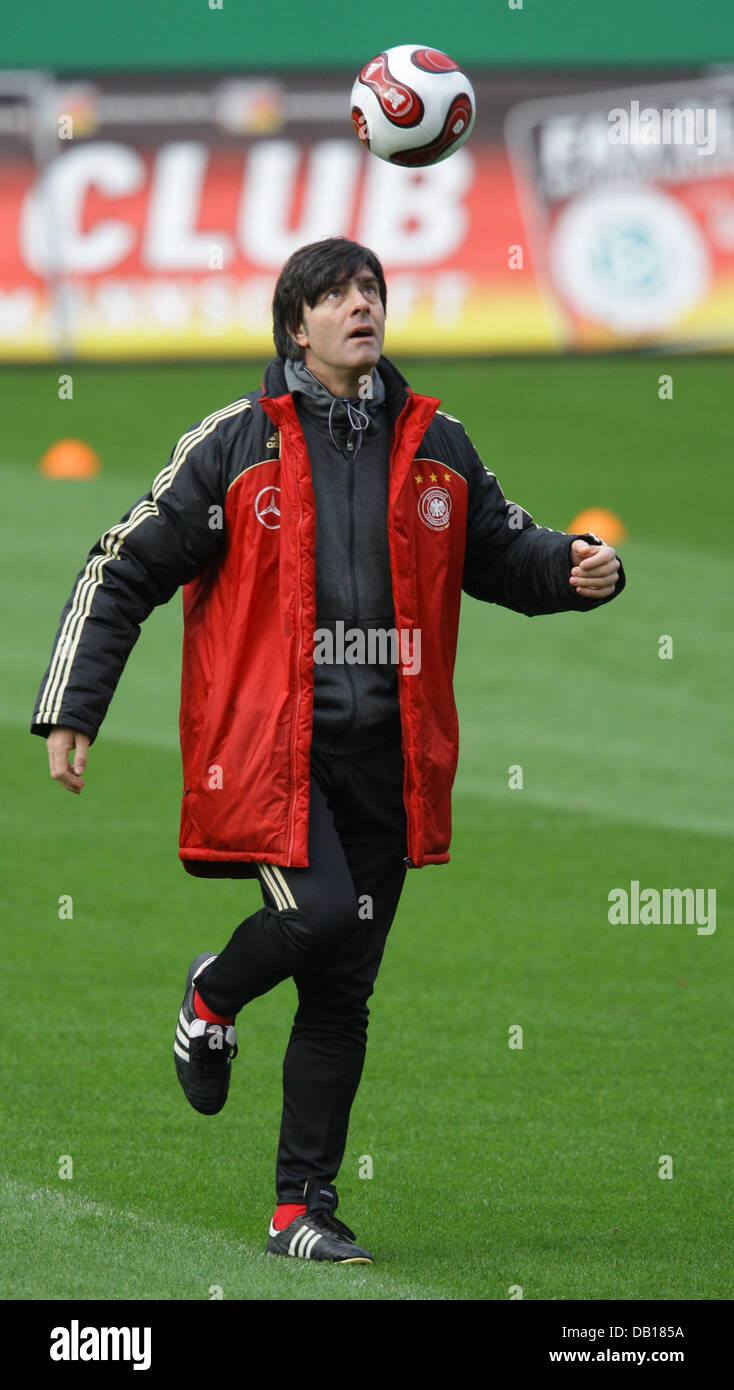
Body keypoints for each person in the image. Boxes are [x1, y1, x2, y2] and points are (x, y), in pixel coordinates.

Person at [32, 235, 625, 1265]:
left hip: (391, 762)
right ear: (295, 323)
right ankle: (214, 990)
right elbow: (122, 567)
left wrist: (569, 565)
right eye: (337, 293)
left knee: (342, 987)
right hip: (272, 751)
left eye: (371, 289)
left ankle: (296, 1210)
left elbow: (501, 548)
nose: (362, 305)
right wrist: (72, 705)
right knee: (308, 915)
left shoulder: (437, 441)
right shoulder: (235, 444)